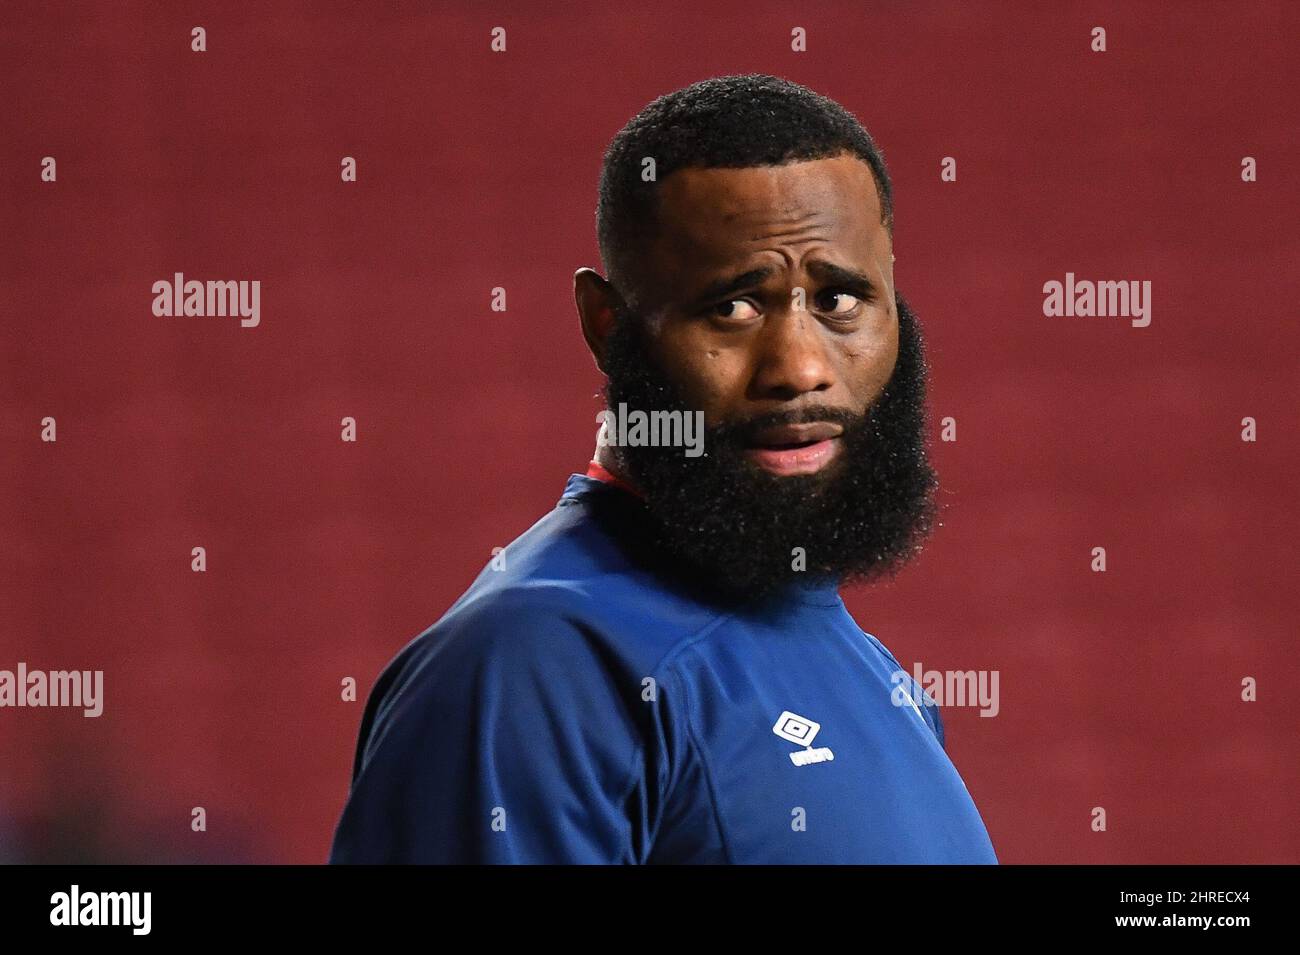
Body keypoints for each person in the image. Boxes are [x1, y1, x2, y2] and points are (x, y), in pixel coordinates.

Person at [329, 73, 998, 864]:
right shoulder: (533, 666)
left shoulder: (877, 677)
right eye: (734, 307)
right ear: (608, 327)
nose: (801, 366)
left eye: (840, 299)